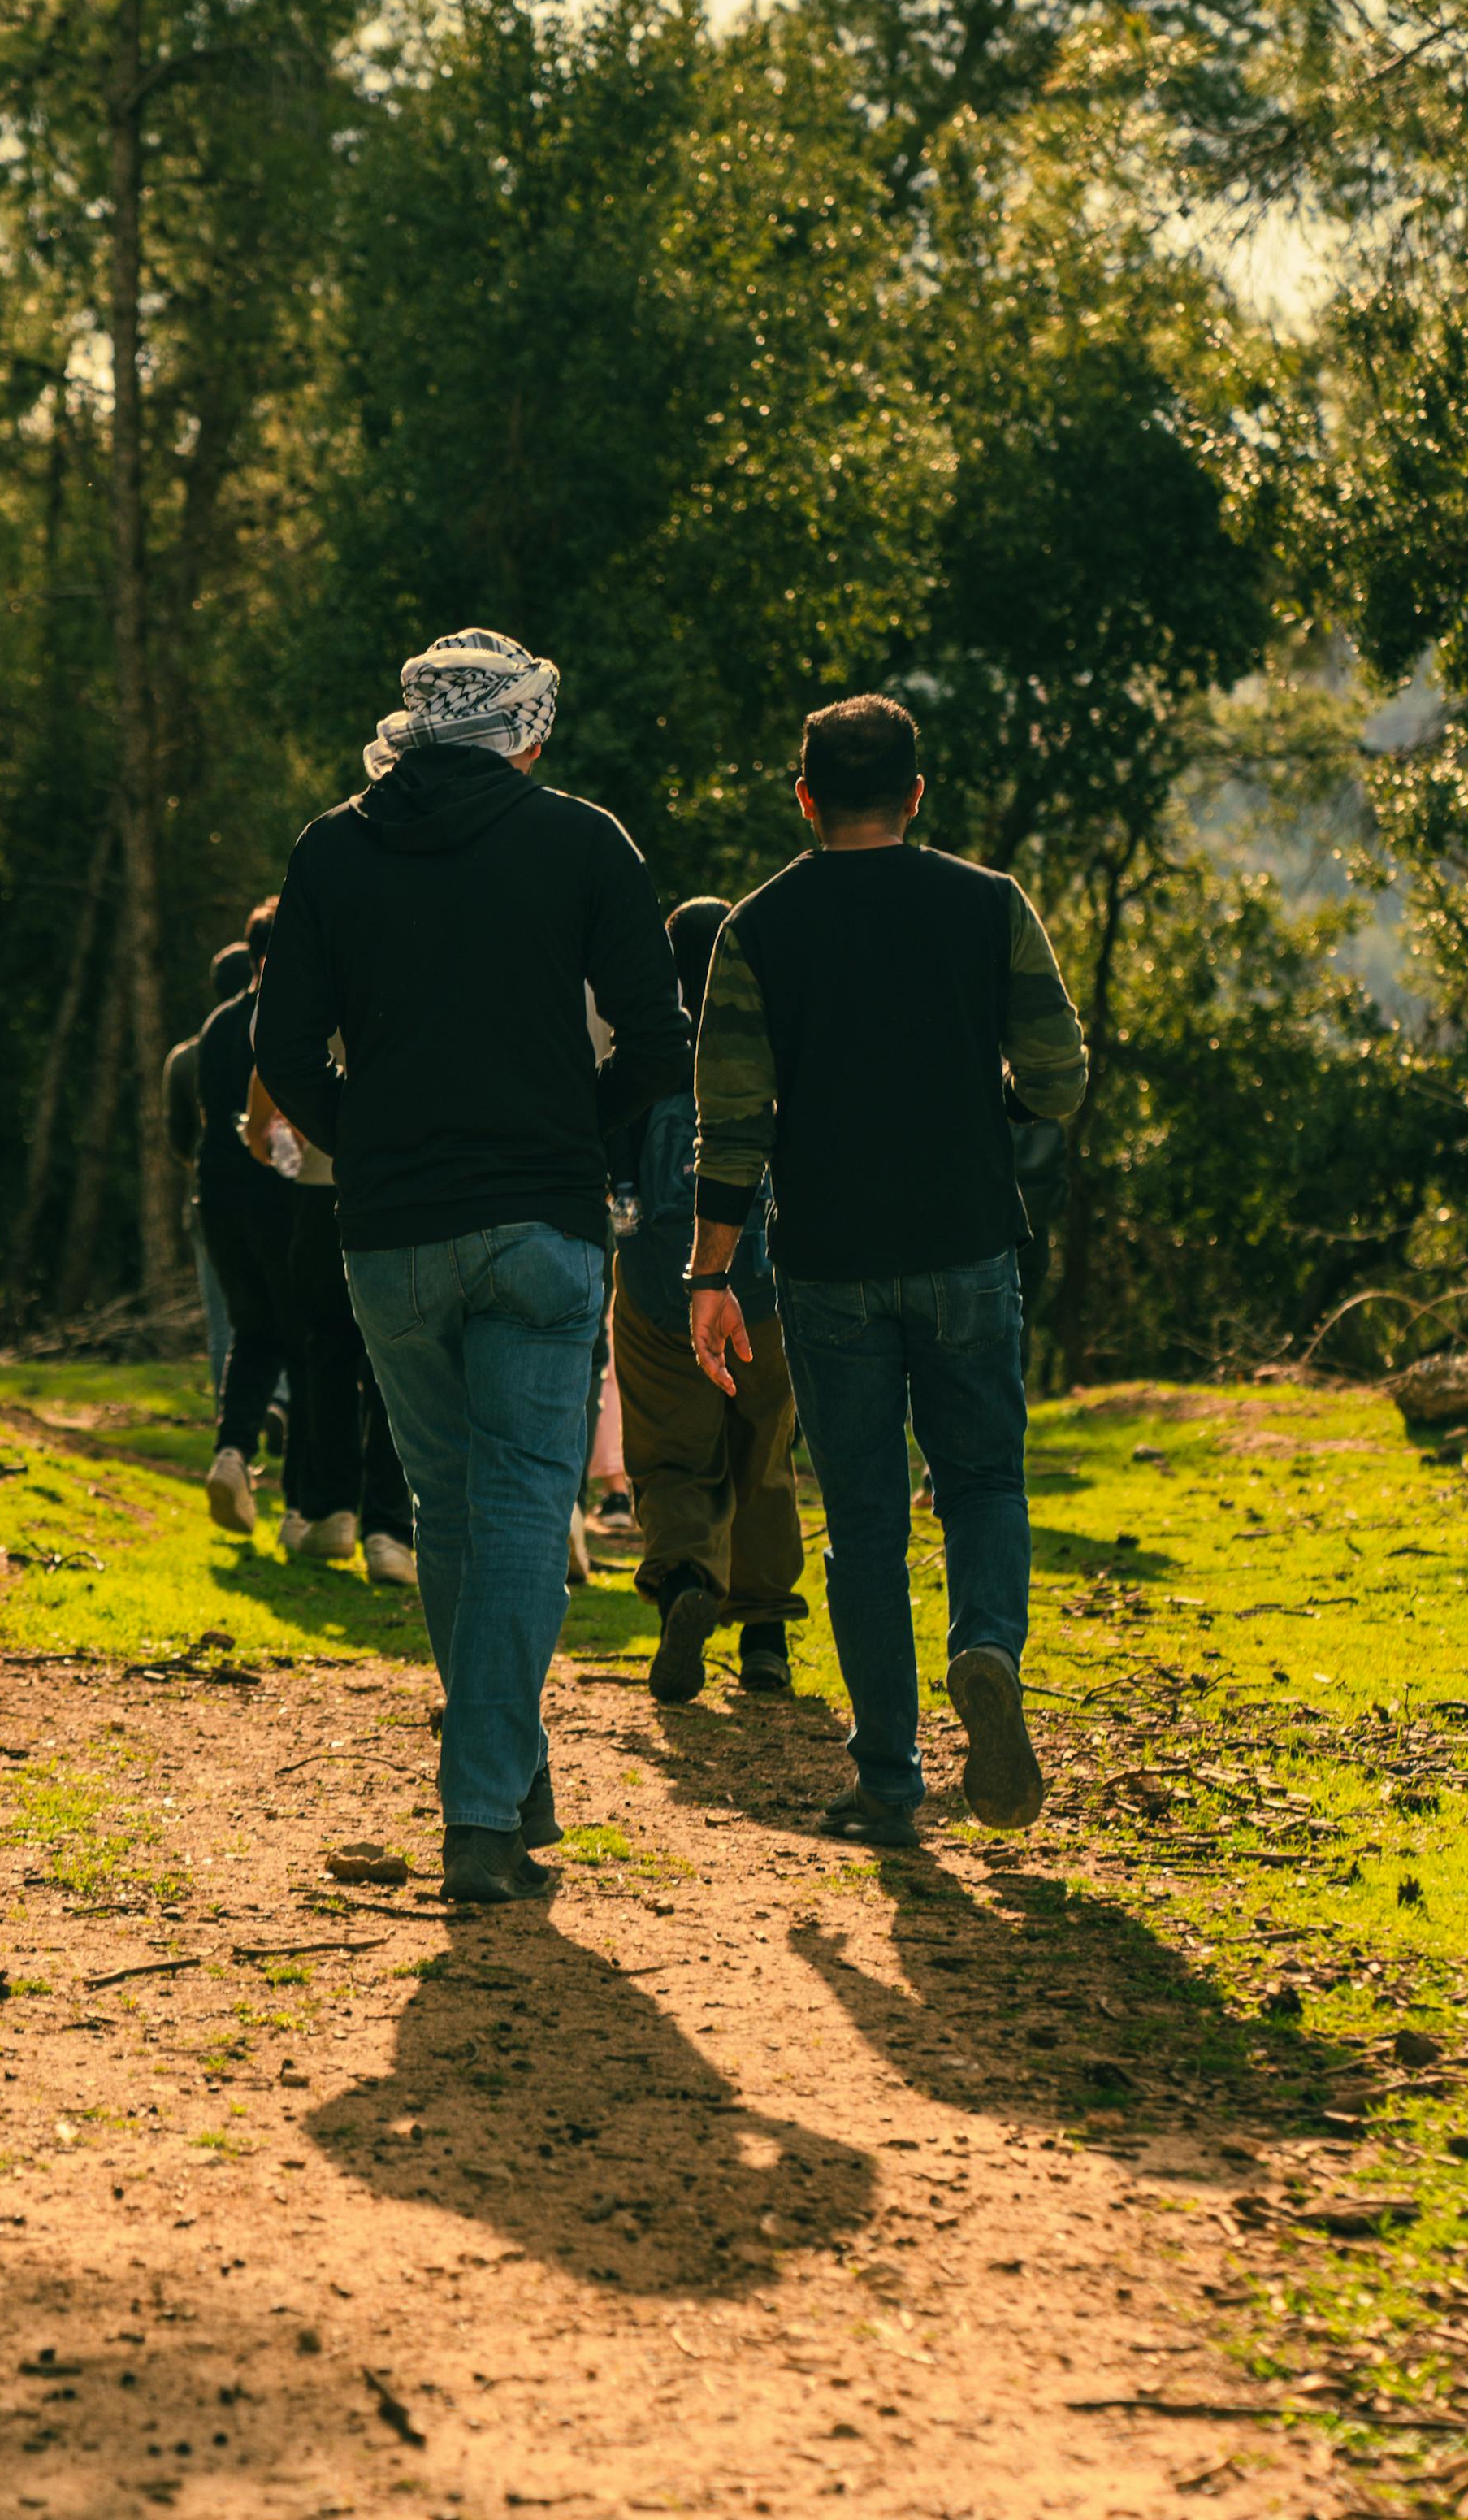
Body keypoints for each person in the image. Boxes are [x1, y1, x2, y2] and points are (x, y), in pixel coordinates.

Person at [253, 628, 688, 1906]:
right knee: (513, 1509)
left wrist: (369, 1145)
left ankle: (507, 1764)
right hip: (539, 1226)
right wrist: (572, 1132)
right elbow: (663, 1045)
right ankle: (482, 1808)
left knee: (454, 1508)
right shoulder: (583, 842)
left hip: (390, 1233)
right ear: (526, 733)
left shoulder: (332, 849)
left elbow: (282, 1045)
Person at [686, 692, 1086, 1847]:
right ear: (917, 794)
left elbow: (731, 1124)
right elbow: (1057, 1082)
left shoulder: (755, 930)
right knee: (980, 1481)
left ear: (803, 797)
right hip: (965, 1238)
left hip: (828, 1258)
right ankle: (986, 1648)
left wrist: (708, 1277)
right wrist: (988, 1100)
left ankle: (887, 1779)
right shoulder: (989, 905)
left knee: (863, 1522)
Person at [610, 897, 804, 1706]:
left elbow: (610, 1178)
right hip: (762, 1292)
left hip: (659, 1292)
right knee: (762, 1449)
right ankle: (763, 1638)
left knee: (670, 1453)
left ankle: (688, 1580)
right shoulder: (775, 1050)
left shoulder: (641, 1060)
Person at [242, 1060, 418, 1586]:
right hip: (403, 1182)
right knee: (396, 1355)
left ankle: (333, 1509)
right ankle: (388, 1528)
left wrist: (269, 1134)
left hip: (324, 1184)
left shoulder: (316, 976)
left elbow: (271, 1064)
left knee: (328, 1351)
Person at [171, 917, 294, 1535]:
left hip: (214, 1194)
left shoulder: (216, 1024)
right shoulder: (288, 1017)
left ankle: (233, 1453)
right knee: (306, 1333)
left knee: (252, 1328)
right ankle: (309, 1498)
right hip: (275, 1192)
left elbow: (195, 1117)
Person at [163, 938, 254, 1396]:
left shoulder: (184, 1059)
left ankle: (230, 1435)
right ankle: (276, 1403)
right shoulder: (269, 1042)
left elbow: (178, 1137)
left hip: (206, 1194)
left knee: (222, 1323)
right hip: (266, 1190)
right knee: (274, 1310)